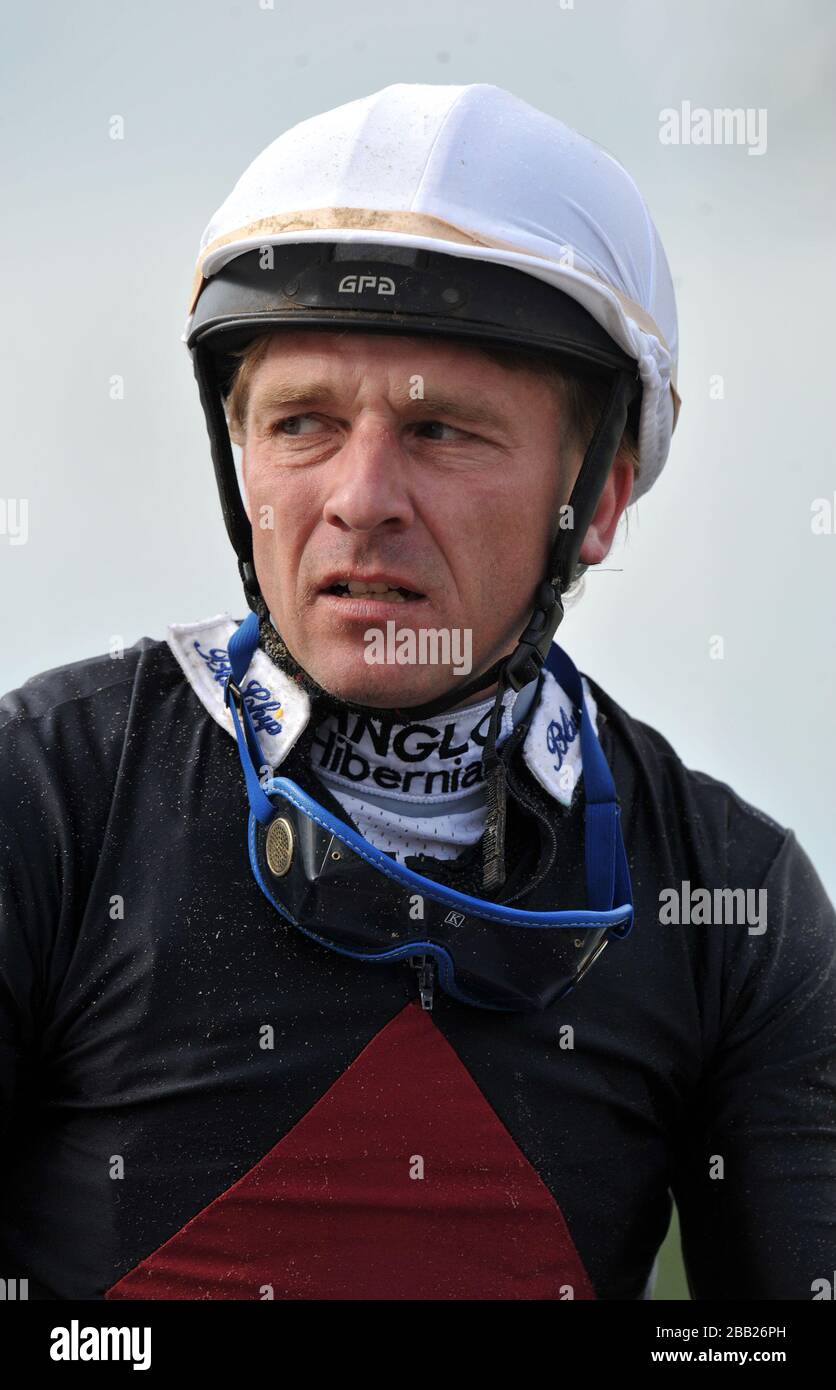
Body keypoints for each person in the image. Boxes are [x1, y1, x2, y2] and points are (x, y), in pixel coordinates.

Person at [0, 83, 833, 1303]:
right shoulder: (47, 796)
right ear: (243, 469)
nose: (359, 496)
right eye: (302, 423)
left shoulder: (732, 900)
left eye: (441, 432)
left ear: (594, 497)